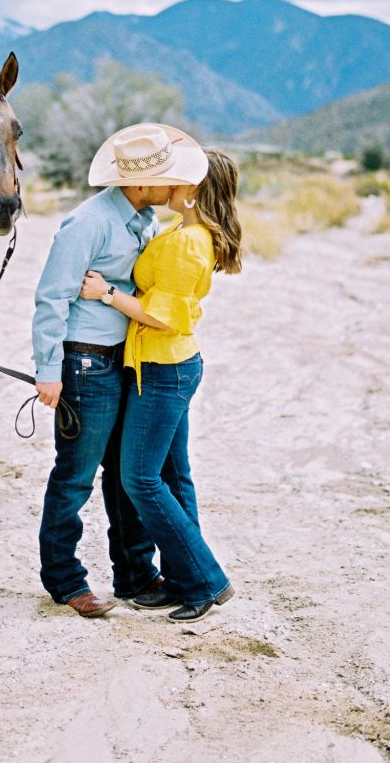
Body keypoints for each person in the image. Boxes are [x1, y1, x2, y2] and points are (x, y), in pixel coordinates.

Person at [33, 122, 208, 618]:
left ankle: (134, 576)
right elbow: (52, 297)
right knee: (76, 476)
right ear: (138, 181)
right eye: (166, 177)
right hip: (87, 361)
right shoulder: (88, 223)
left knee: (126, 476)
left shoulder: (146, 219)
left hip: (130, 360)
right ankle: (66, 582)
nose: (175, 185)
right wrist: (49, 369)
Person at [80, 144, 241, 622]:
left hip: (164, 370)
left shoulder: (188, 242)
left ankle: (207, 580)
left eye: (176, 174)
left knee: (140, 478)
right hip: (168, 365)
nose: (166, 179)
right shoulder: (183, 232)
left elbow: (161, 316)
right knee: (173, 478)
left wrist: (105, 293)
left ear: (193, 188)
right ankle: (182, 579)